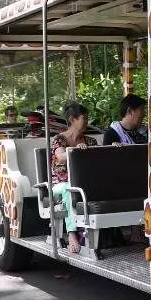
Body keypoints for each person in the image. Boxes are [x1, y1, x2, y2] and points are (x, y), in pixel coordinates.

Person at [51, 102, 98, 253]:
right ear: (72, 119)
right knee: (68, 188)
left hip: (84, 184)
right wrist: (75, 151)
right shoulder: (60, 140)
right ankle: (71, 234)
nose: (87, 121)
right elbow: (61, 156)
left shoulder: (91, 141)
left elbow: (100, 159)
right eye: (84, 117)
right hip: (60, 184)